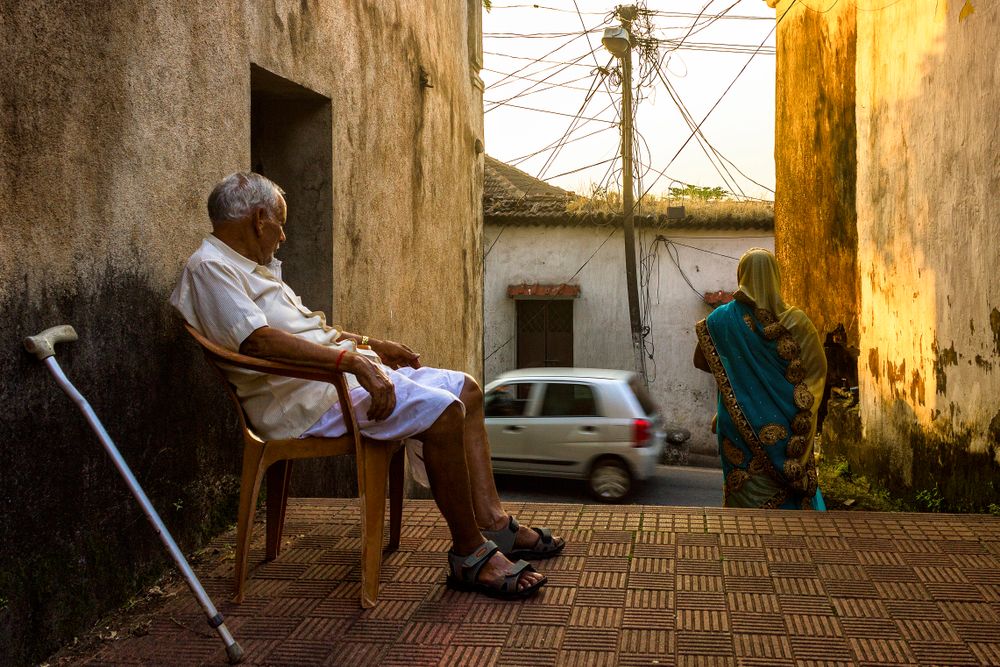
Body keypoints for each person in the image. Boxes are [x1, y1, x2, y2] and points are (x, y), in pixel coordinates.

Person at [170, 172, 564, 599]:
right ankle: (469, 553)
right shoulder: (210, 268)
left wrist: (371, 345)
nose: (282, 236)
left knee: (467, 389)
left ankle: (494, 523)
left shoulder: (252, 268)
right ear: (259, 218)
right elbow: (257, 341)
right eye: (280, 225)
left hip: (334, 382)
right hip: (308, 400)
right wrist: (351, 361)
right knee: (445, 410)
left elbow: (310, 331)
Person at [693, 248, 827, 510]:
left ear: (741, 275)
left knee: (744, 508)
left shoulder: (721, 319)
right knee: (790, 509)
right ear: (776, 277)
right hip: (788, 426)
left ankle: (747, 537)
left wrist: (736, 371)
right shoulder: (797, 322)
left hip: (738, 425)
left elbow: (701, 360)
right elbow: (816, 373)